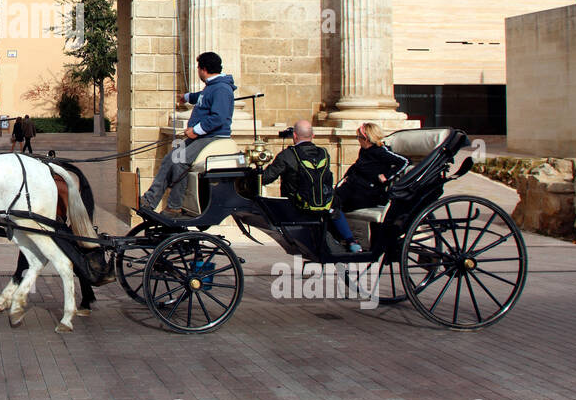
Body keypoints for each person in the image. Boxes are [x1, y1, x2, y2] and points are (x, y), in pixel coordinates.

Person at [141, 52, 236, 214]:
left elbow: (218, 118)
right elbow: (201, 97)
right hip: (203, 136)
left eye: (199, 68)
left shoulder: (221, 89)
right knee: (169, 159)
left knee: (179, 162)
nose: (198, 71)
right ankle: (149, 200)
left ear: (204, 69)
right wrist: (186, 97)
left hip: (212, 137)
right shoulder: (213, 86)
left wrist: (196, 130)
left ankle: (174, 206)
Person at [258, 120, 361, 253]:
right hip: (323, 205)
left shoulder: (287, 155)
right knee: (334, 205)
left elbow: (266, 178)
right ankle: (351, 241)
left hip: (297, 208)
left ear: (294, 136)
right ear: (313, 136)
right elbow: (328, 180)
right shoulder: (323, 153)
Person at [337, 122, 409, 213]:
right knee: (330, 201)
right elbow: (357, 166)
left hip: (369, 193)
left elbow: (404, 161)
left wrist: (386, 176)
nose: (358, 140)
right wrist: (346, 177)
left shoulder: (380, 151)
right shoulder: (364, 150)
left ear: (366, 139)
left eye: (358, 137)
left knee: (336, 205)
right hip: (354, 187)